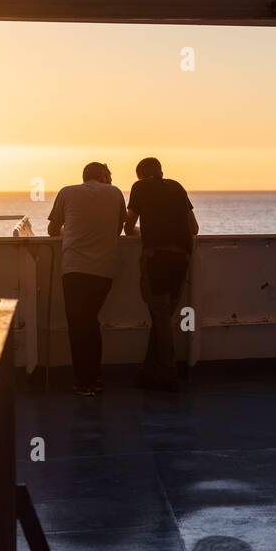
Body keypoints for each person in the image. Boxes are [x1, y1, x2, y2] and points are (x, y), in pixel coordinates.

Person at [48, 162, 126, 396]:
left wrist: (70, 232)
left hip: (74, 268)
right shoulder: (115, 193)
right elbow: (119, 228)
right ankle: (96, 378)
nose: (111, 179)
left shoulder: (67, 192)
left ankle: (84, 381)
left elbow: (53, 229)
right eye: (109, 175)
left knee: (78, 325)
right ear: (102, 175)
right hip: (103, 270)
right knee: (90, 321)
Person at [124, 157, 198, 391]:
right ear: (161, 172)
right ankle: (150, 371)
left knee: (161, 316)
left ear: (139, 175)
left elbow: (128, 226)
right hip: (181, 259)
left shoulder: (140, 187)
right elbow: (194, 228)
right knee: (162, 317)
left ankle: (168, 373)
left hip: (156, 258)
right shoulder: (176, 186)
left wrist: (140, 230)